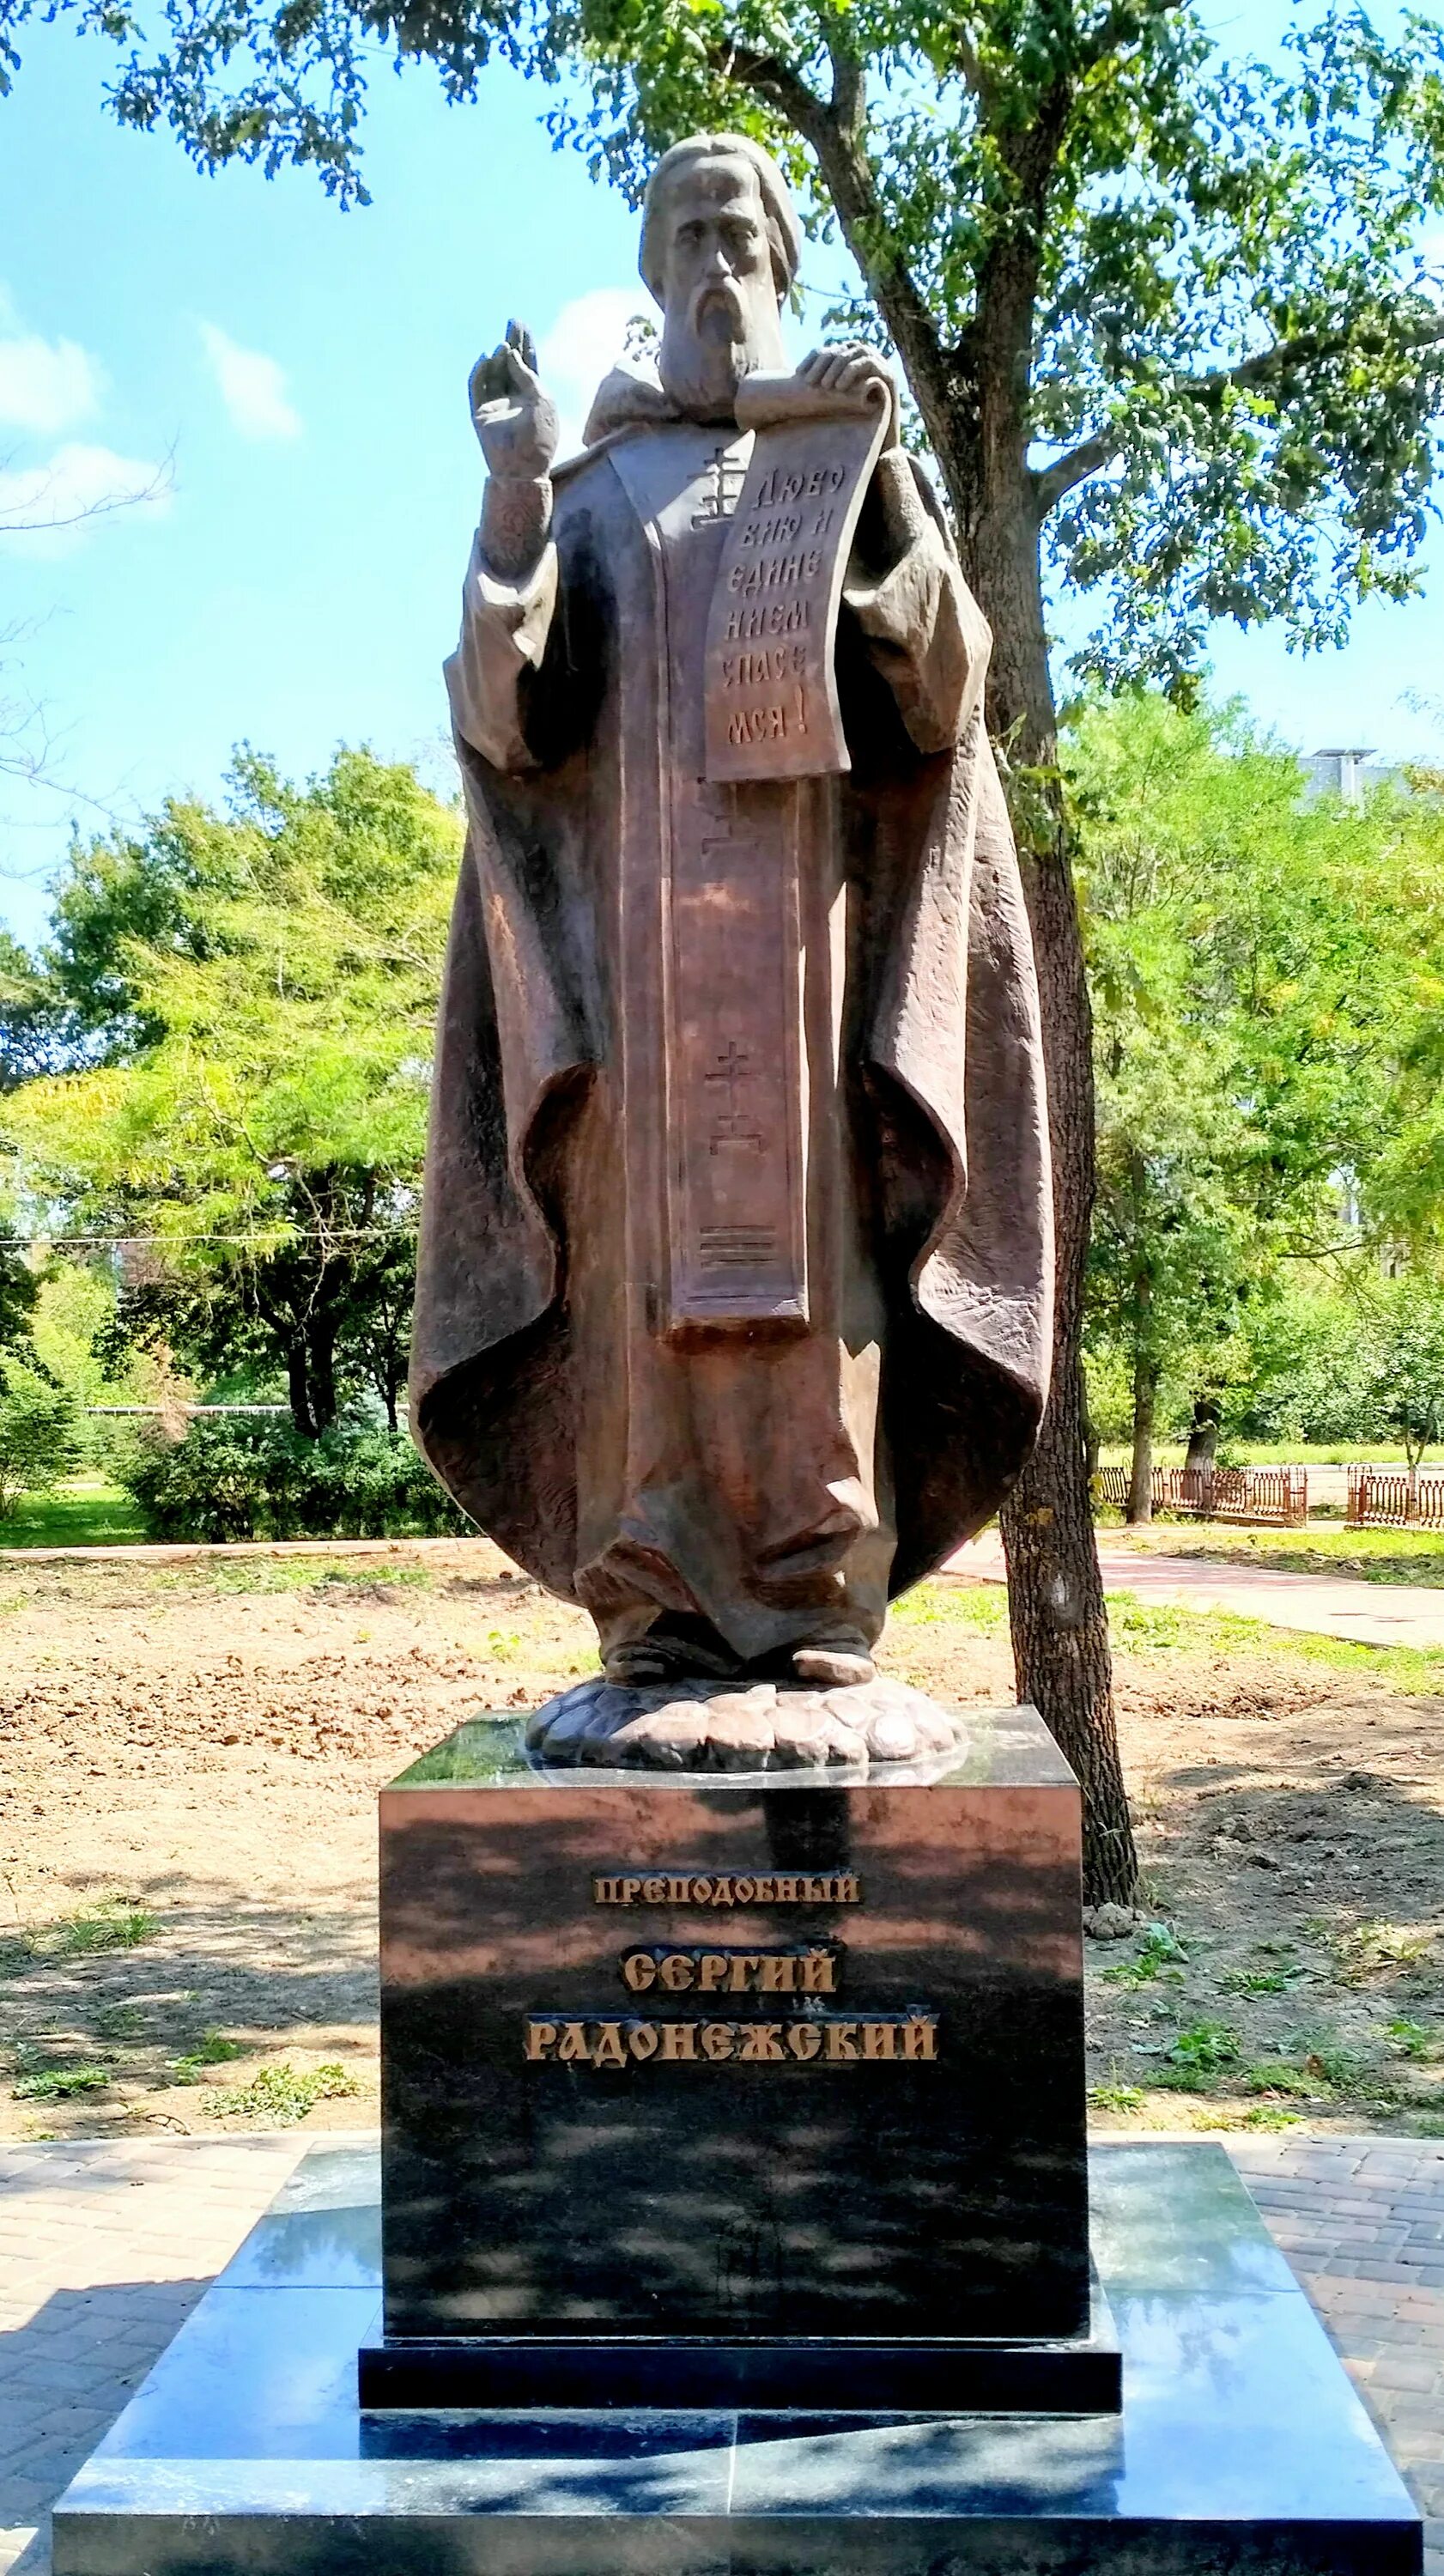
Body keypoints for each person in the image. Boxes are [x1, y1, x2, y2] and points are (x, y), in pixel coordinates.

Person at [410, 133, 1052, 1688]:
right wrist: (510, 505)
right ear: (650, 268)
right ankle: (652, 1601)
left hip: (812, 975)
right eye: (684, 230)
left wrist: (884, 472)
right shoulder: (597, 486)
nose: (714, 258)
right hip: (637, 986)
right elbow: (504, 716)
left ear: (781, 256)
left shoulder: (838, 462)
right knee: (644, 1284)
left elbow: (947, 693)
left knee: (815, 1276)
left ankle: (815, 1588)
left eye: (739, 228)